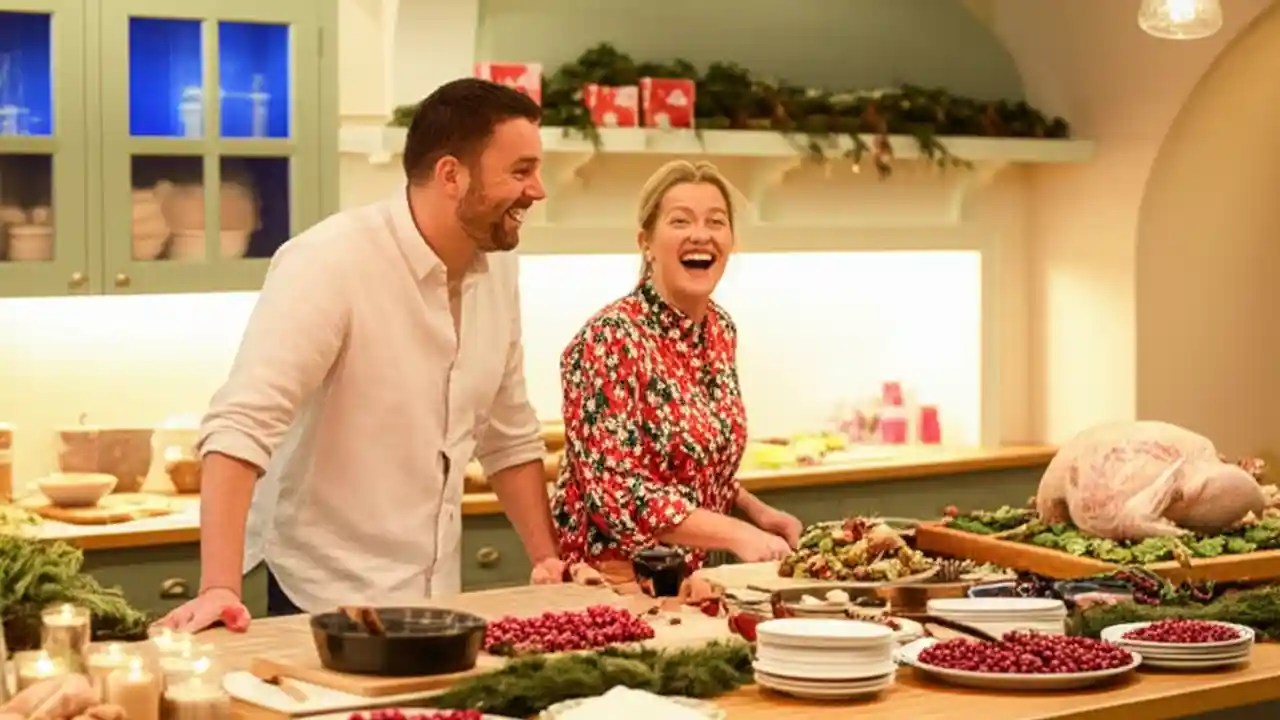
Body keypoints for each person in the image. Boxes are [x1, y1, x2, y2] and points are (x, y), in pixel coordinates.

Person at [156, 78, 565, 633]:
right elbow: (241, 426)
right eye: (520, 171)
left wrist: (550, 560)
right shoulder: (330, 262)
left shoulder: (497, 266)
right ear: (452, 175)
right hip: (323, 600)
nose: (537, 190)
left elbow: (508, 432)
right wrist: (219, 587)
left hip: (437, 598)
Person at [551, 159, 804, 588]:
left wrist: (755, 510)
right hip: (612, 583)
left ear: (730, 242)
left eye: (716, 222)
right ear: (646, 243)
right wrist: (737, 533)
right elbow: (617, 492)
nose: (701, 234)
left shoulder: (720, 330)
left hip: (686, 582)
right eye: (680, 220)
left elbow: (692, 467)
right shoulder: (610, 337)